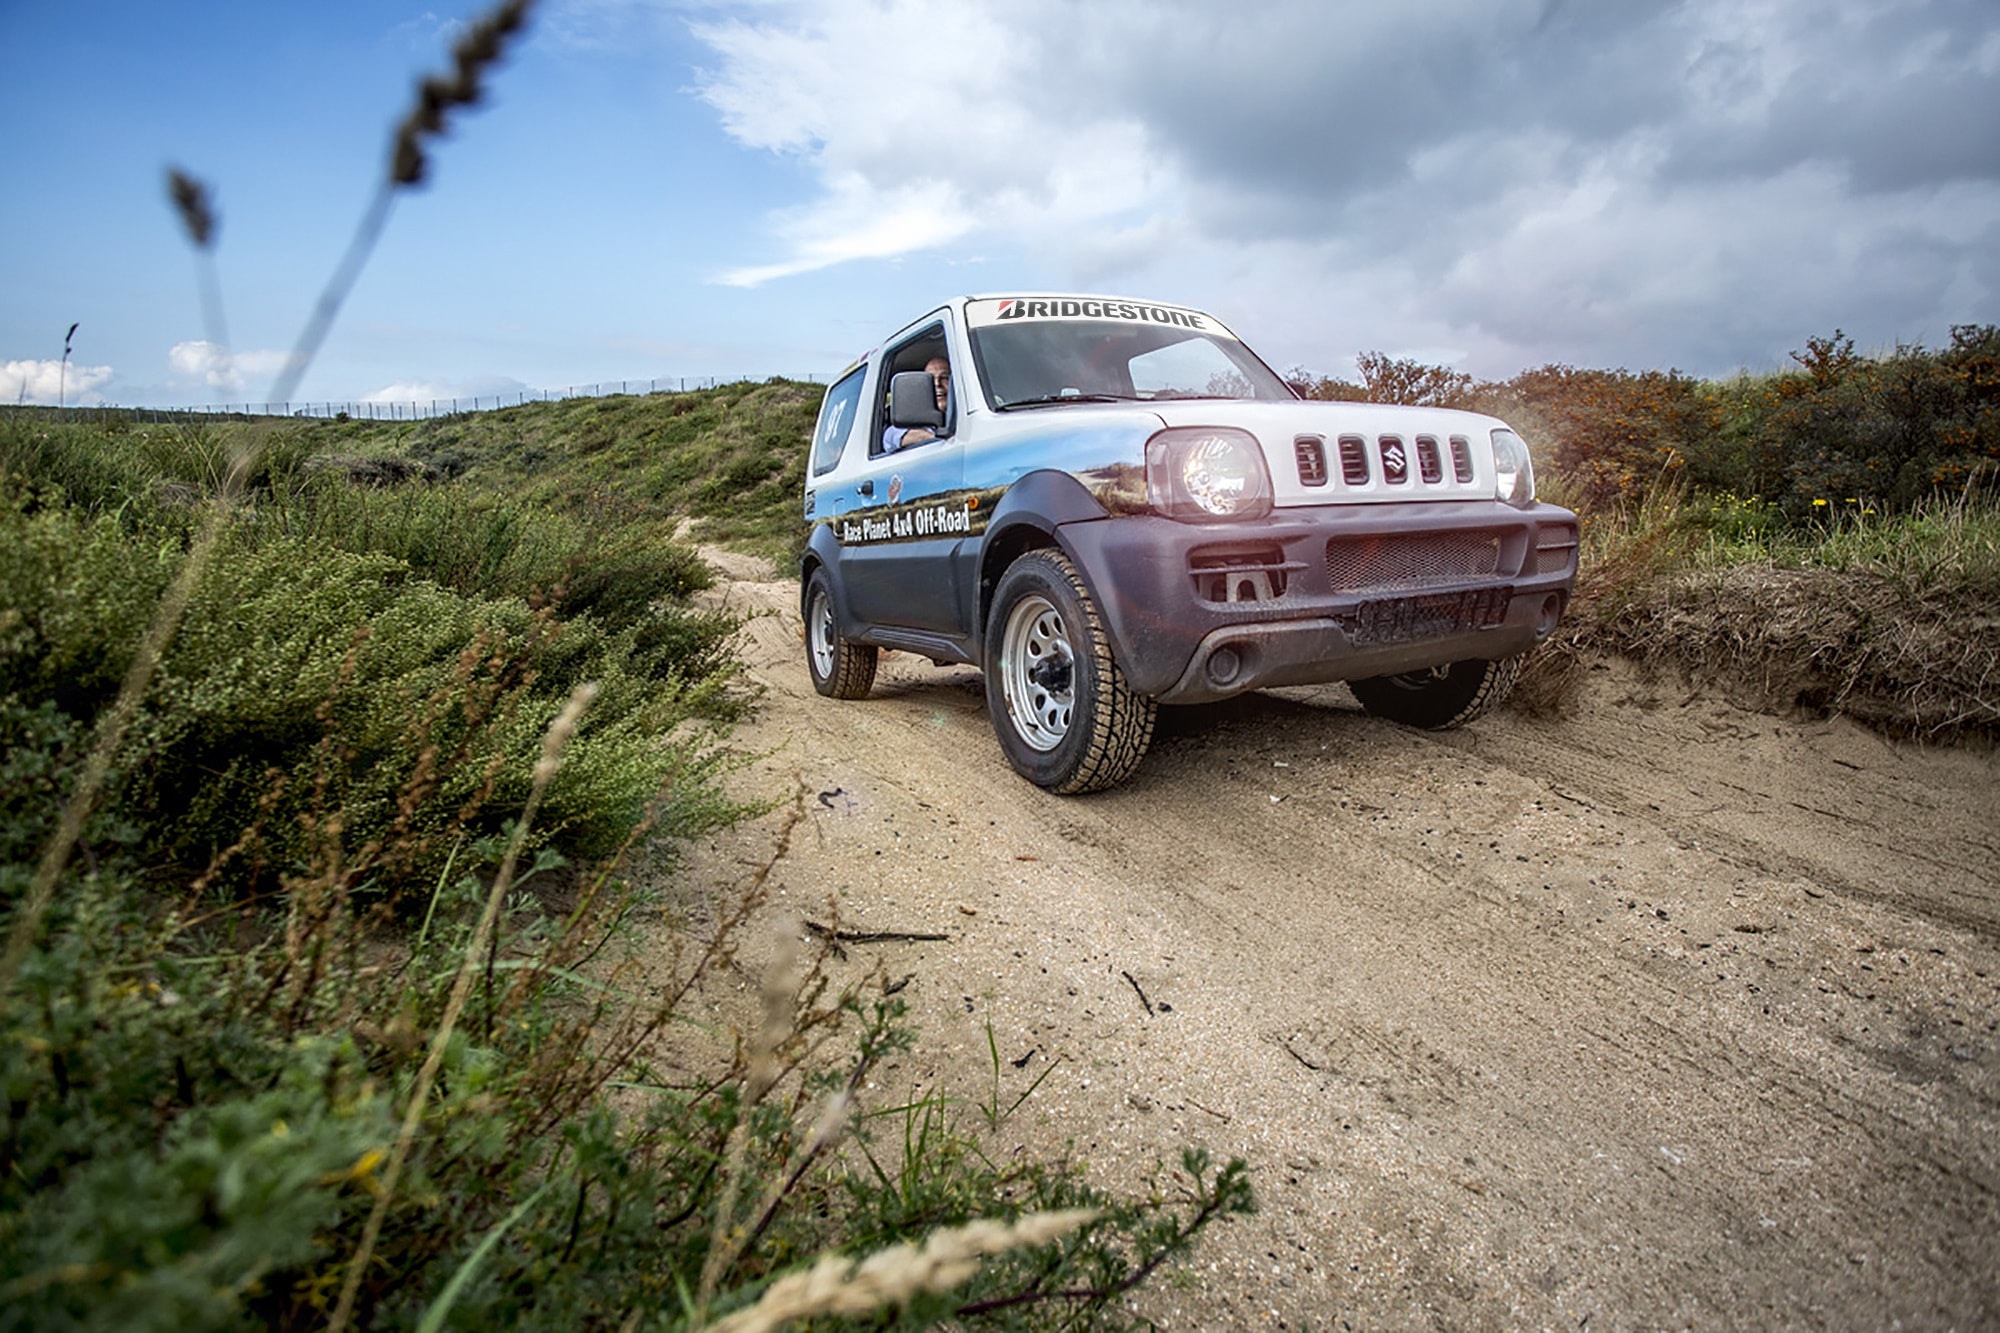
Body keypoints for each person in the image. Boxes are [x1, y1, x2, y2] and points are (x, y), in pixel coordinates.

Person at [881, 355, 950, 453]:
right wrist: (935, 438)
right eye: (930, 379)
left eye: (944, 377)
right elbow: (890, 437)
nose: (937, 383)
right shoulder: (914, 423)